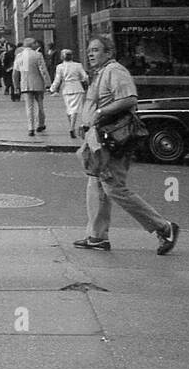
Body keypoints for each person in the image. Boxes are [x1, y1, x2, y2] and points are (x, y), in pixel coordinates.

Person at [73, 36, 179, 255]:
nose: (91, 54)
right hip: (97, 140)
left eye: (96, 50)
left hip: (113, 140)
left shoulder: (115, 71)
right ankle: (97, 236)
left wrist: (101, 112)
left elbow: (129, 99)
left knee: (114, 188)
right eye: (89, 50)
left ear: (109, 52)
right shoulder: (101, 72)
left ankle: (164, 227)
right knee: (96, 185)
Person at [49, 49, 89, 140]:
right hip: (77, 88)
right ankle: (72, 128)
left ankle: (71, 126)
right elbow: (85, 76)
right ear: (72, 56)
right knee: (75, 109)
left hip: (66, 89)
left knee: (69, 109)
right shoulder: (78, 65)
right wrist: (86, 81)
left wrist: (52, 89)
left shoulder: (60, 67)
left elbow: (57, 79)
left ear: (62, 57)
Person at [13, 38, 50, 136]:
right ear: (32, 45)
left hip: (26, 84)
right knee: (40, 106)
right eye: (35, 43)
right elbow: (43, 71)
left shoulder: (20, 56)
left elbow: (15, 73)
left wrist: (16, 85)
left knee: (29, 107)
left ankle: (31, 128)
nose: (36, 44)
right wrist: (48, 83)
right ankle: (40, 124)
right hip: (38, 84)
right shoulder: (37, 55)